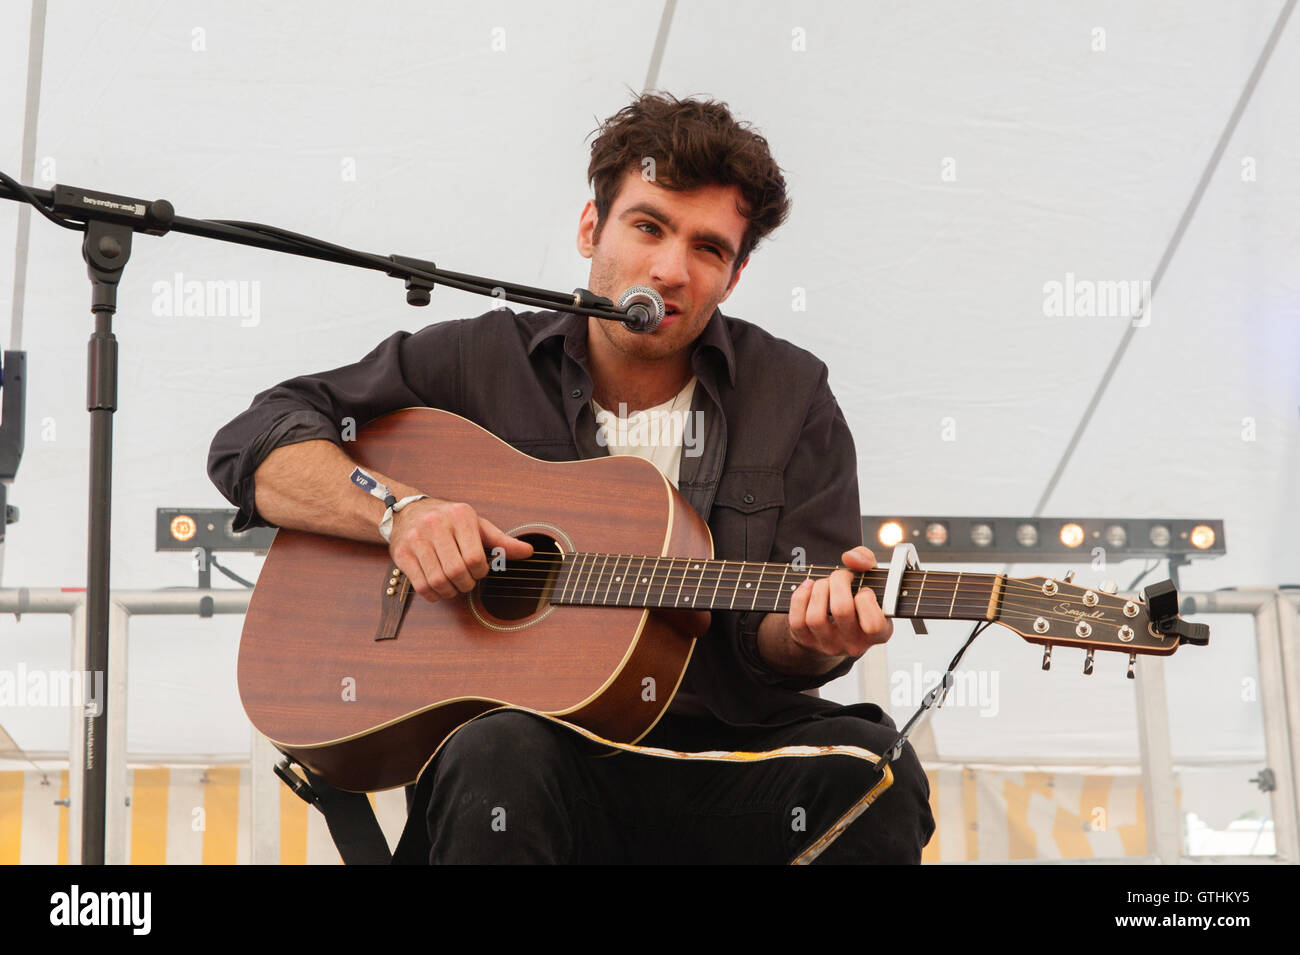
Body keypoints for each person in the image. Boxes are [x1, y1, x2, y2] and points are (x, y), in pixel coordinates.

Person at [208, 91, 935, 863]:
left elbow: (793, 636)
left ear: (737, 273)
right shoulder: (475, 361)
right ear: (591, 228)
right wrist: (399, 512)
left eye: (708, 249)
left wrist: (811, 636)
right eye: (648, 226)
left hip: (727, 760)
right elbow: (255, 440)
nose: (670, 269)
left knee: (877, 773)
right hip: (531, 762)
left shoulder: (791, 394)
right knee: (498, 755)